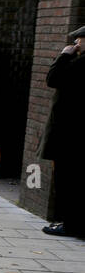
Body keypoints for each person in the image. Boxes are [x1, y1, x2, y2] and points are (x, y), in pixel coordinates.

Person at [40, 25, 85, 237]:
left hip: (70, 135)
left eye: (79, 40)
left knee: (68, 181)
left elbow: (53, 79)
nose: (76, 44)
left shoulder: (80, 64)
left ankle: (71, 224)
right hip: (73, 134)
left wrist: (63, 56)